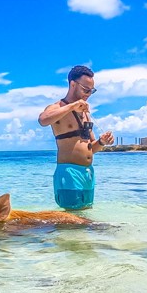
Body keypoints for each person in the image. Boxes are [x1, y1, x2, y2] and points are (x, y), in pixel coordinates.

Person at [38, 65, 114, 210]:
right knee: (72, 218)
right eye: (86, 90)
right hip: (69, 173)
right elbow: (43, 120)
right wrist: (72, 106)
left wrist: (102, 142)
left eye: (91, 91)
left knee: (85, 215)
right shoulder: (58, 107)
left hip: (87, 173)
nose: (89, 94)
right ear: (73, 84)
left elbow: (91, 148)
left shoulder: (85, 113)